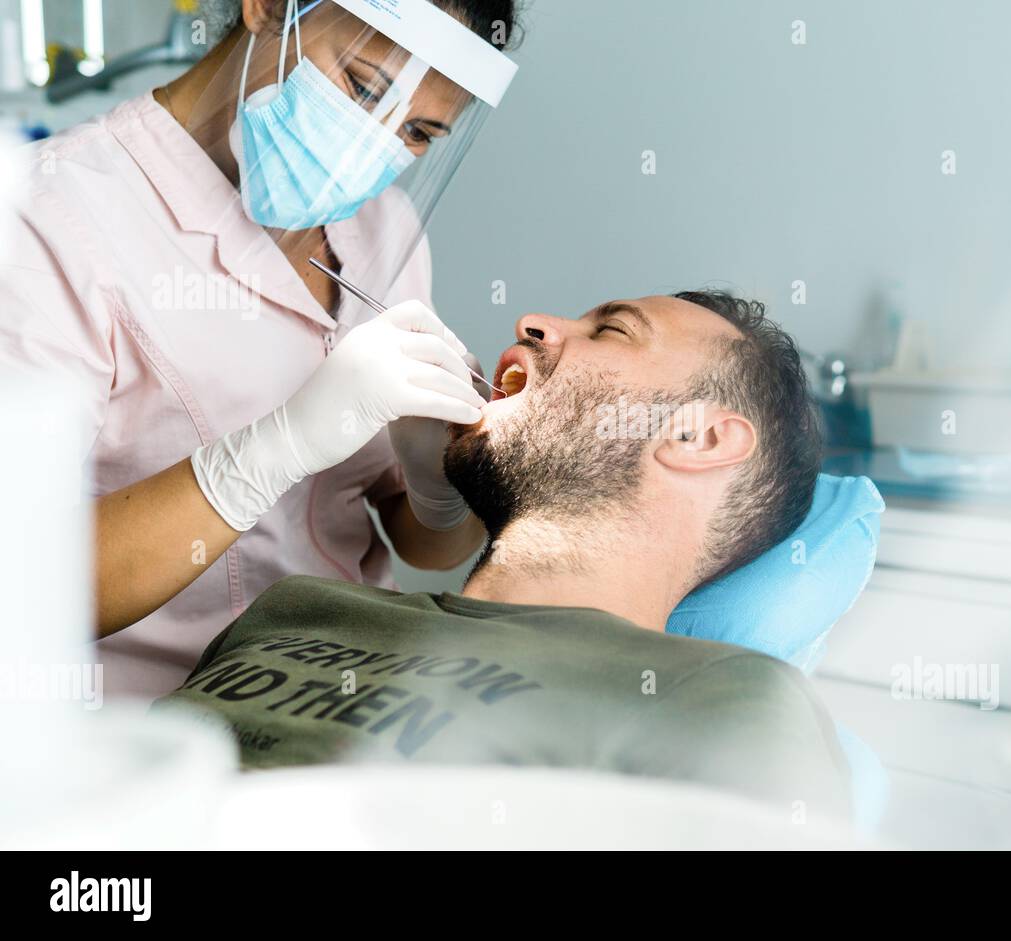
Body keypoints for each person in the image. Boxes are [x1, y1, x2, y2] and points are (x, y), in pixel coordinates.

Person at [155, 290, 851, 818]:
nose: (535, 323)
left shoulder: (731, 698)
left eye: (610, 329)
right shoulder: (301, 605)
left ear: (698, 439)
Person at [0, 0, 520, 702]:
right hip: (150, 735)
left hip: (347, 706)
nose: (377, 144)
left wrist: (439, 490)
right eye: (365, 90)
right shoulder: (48, 220)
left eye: (420, 132)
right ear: (271, 7)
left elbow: (423, 546)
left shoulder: (385, 230)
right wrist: (267, 452)